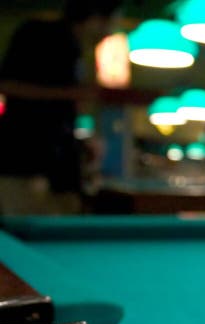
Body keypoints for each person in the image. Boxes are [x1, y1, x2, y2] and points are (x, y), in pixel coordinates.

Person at [0, 0, 120, 215]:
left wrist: (80, 145)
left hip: (58, 166)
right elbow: (7, 85)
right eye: (111, 20)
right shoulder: (38, 34)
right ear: (94, 17)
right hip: (22, 159)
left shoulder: (76, 48)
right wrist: (71, 94)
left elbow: (60, 114)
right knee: (22, 230)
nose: (112, 28)